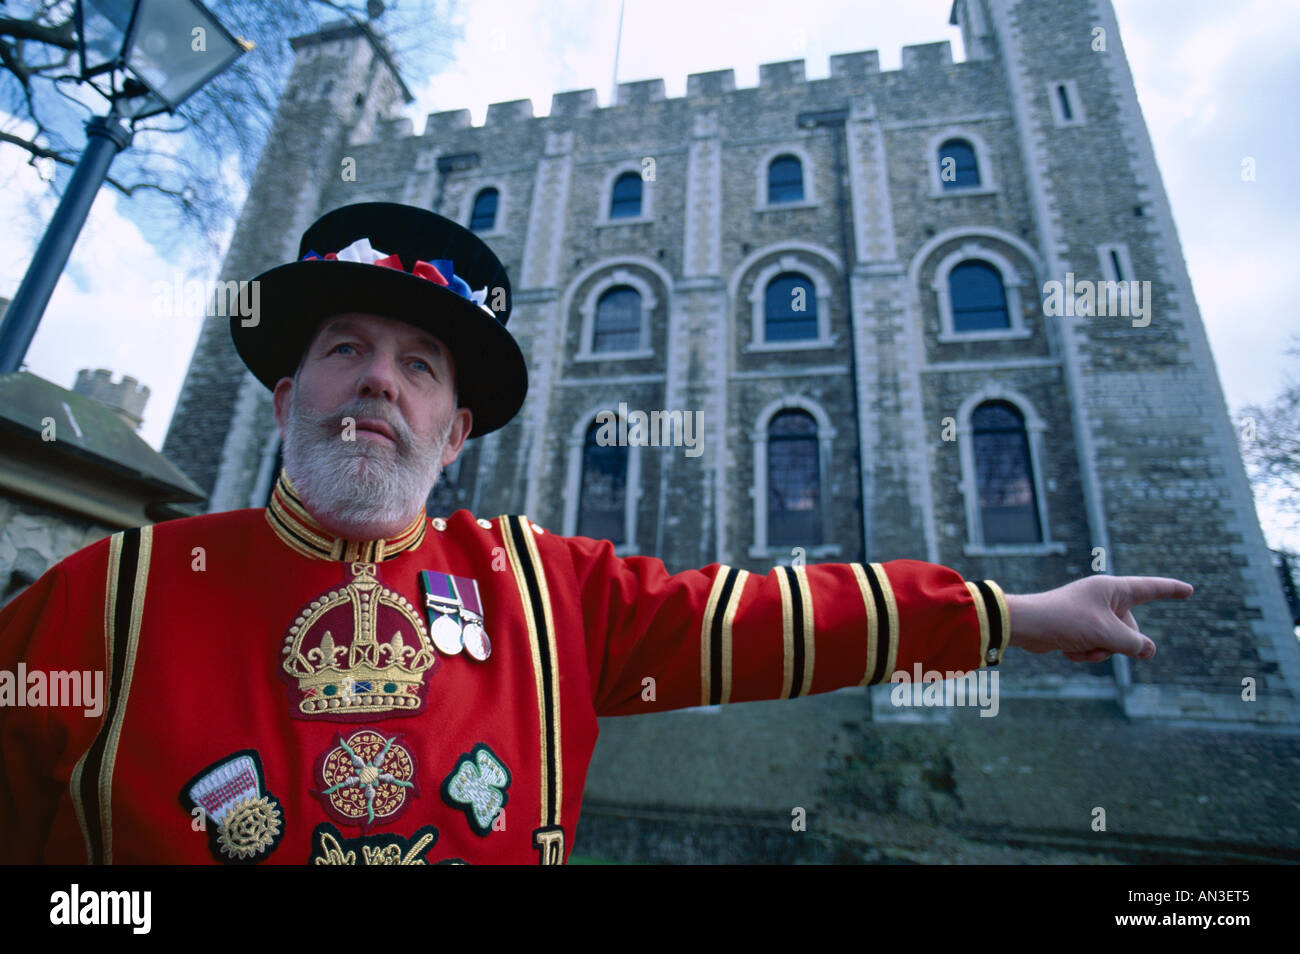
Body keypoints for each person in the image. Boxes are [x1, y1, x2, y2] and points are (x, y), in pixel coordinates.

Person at [0, 202, 1192, 865]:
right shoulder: (111, 592)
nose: (379, 383)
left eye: (419, 365)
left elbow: (767, 619)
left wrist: (1015, 617)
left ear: (454, 432)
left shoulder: (540, 590)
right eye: (345, 349)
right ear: (285, 395)